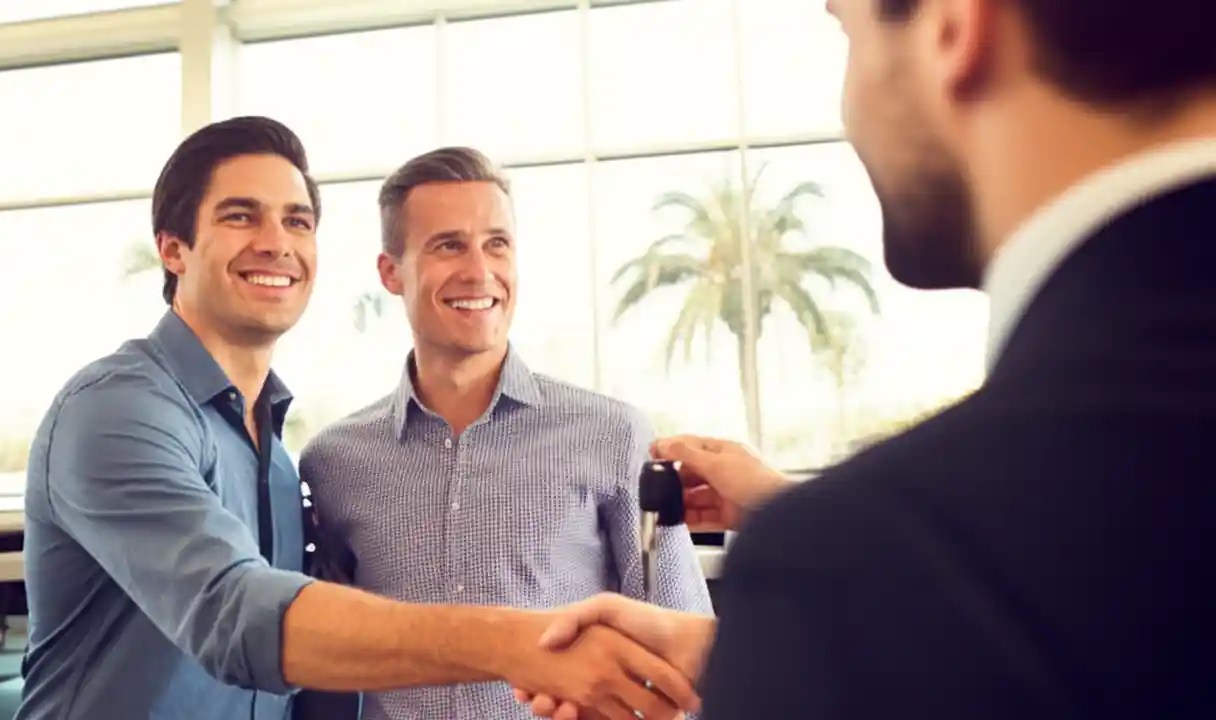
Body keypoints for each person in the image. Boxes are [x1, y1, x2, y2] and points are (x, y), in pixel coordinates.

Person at [517, 0, 1216, 717]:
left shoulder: (846, 568)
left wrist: (811, 628)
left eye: (845, 30)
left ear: (952, 27)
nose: (849, 108)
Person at [16, 116, 699, 720]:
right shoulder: (117, 412)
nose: (276, 243)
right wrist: (527, 646)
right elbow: (237, 613)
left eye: (297, 221)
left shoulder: (280, 456)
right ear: (173, 249)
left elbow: (688, 651)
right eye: (239, 215)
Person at [296, 146, 713, 719]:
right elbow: (330, 654)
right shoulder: (333, 462)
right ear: (391, 273)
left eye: (497, 244)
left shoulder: (612, 434)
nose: (479, 271)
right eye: (448, 245)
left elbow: (680, 642)